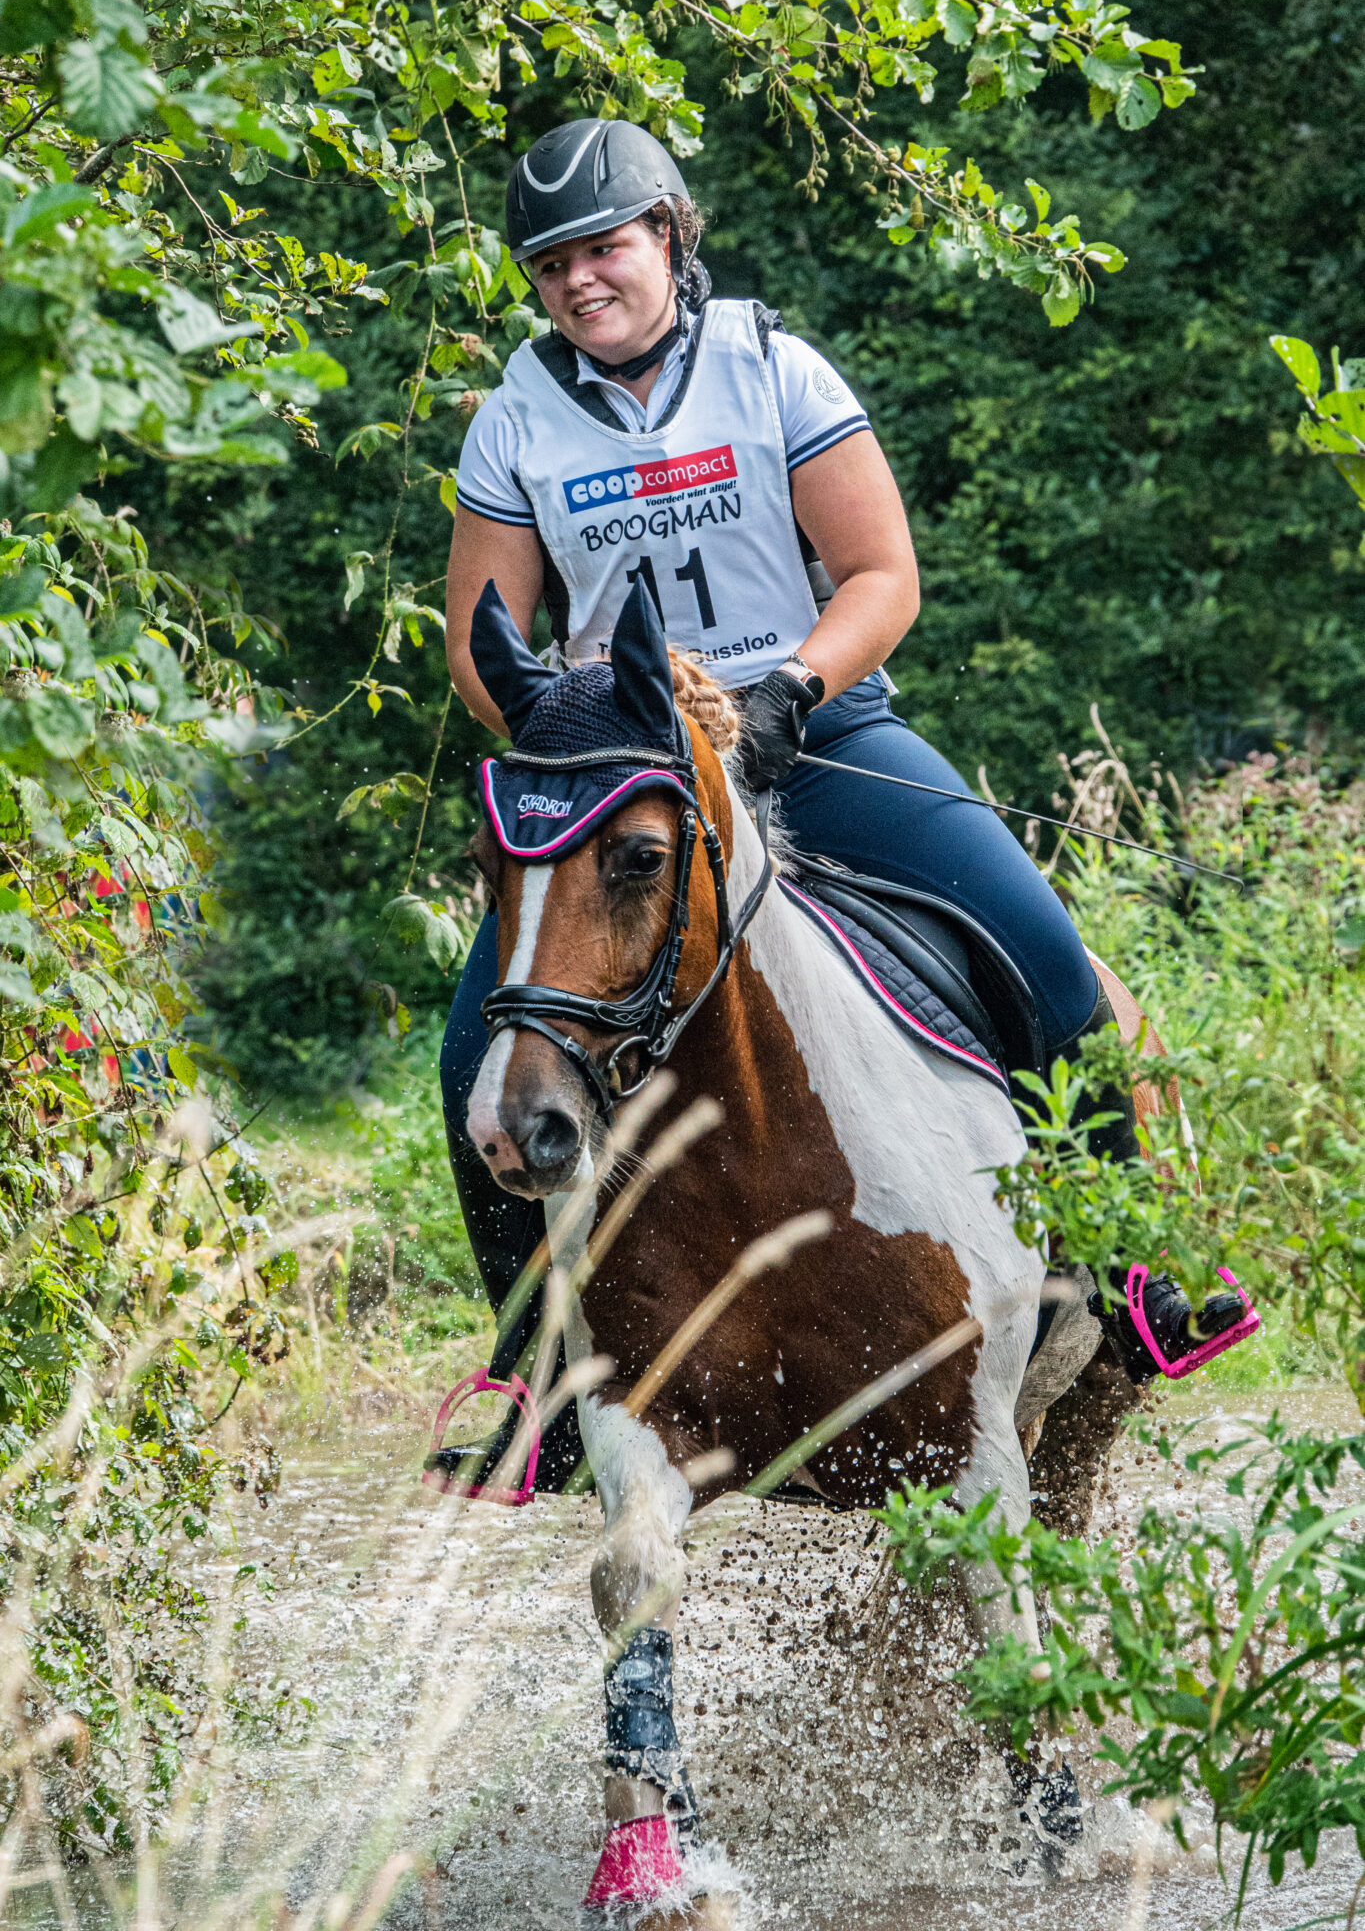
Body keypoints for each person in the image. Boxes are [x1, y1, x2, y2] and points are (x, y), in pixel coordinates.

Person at [439, 117, 1240, 1468]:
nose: (580, 279)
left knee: (1040, 945)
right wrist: (582, 721)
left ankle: (1134, 1267)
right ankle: (542, 1367)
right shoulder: (514, 417)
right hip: (629, 770)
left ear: (668, 240)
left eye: (605, 247)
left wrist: (788, 691)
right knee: (477, 1041)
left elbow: (880, 575)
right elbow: (486, 648)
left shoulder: (770, 368)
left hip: (812, 725)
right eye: (551, 262)